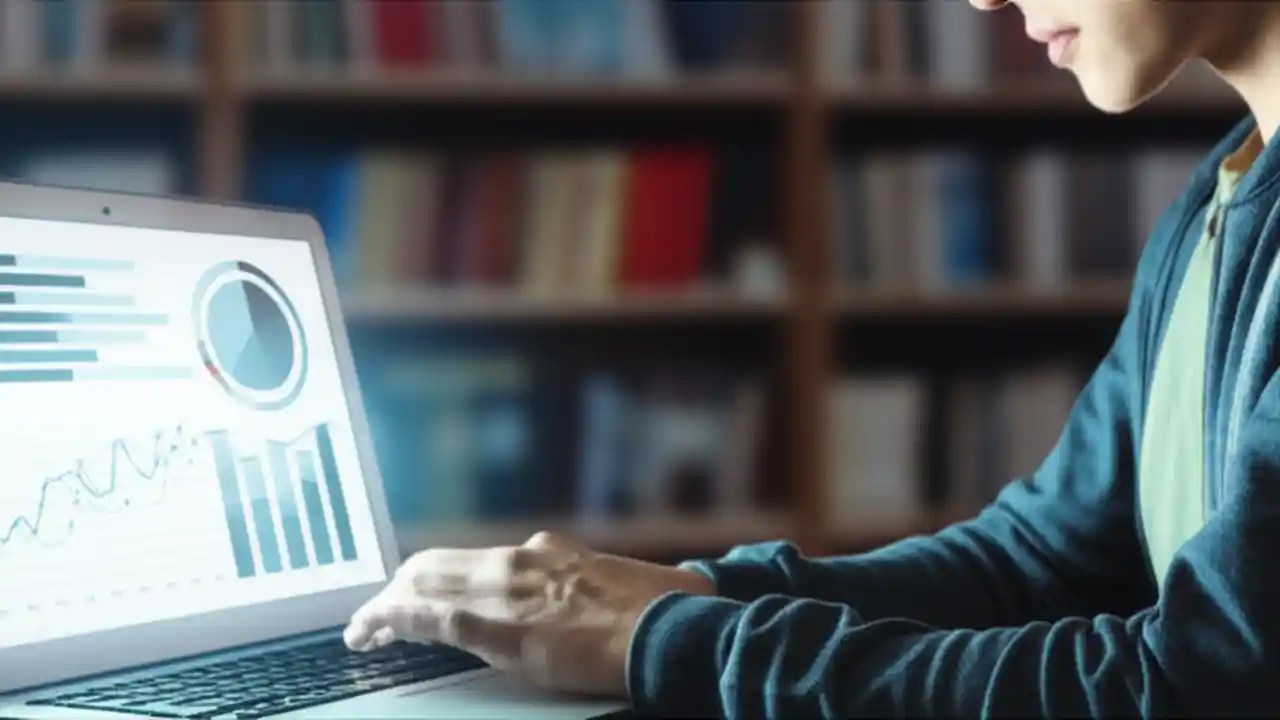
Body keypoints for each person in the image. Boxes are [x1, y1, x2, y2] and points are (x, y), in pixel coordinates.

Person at [343, 0, 1280, 715]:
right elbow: (1037, 562)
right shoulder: (1222, 199)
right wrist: (697, 590)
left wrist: (668, 642)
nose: (985, 2)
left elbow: (1201, 683)